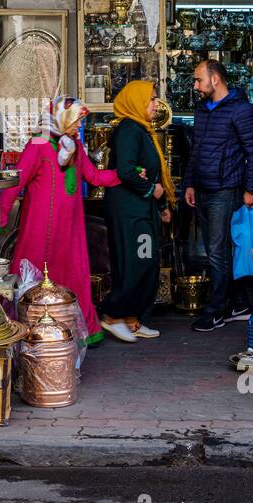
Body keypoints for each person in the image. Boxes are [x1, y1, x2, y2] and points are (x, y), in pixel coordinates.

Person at [0, 96, 120, 346]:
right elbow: (16, 181)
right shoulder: (39, 144)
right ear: (63, 118)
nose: (79, 126)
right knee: (32, 275)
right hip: (40, 227)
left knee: (74, 274)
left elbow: (93, 176)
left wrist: (125, 176)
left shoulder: (73, 145)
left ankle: (82, 330)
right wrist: (1, 214)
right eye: (76, 120)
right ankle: (26, 328)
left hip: (70, 228)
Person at [183, 59, 253, 332]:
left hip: (225, 189)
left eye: (199, 80)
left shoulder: (241, 110)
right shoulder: (203, 109)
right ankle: (237, 302)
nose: (196, 86)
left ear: (215, 79)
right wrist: (190, 184)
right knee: (216, 251)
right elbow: (196, 150)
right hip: (203, 189)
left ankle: (215, 311)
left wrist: (251, 190)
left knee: (218, 253)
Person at [98, 82, 174, 343]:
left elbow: (149, 171)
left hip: (142, 208)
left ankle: (133, 319)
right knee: (138, 262)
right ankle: (112, 314)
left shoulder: (143, 130)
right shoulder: (129, 130)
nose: (156, 104)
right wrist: (151, 189)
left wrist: (161, 205)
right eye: (151, 100)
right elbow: (127, 170)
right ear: (136, 102)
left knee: (147, 261)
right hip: (129, 210)